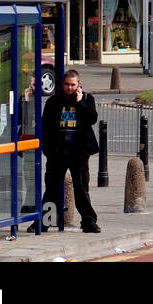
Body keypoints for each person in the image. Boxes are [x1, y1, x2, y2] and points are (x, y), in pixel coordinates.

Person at [42, 69, 102, 232]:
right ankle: (45, 221)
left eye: (73, 85)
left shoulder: (87, 99)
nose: (69, 88)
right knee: (51, 189)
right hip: (58, 152)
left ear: (79, 85)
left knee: (81, 188)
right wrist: (48, 150)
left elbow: (92, 118)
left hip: (79, 153)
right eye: (67, 84)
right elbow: (45, 125)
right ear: (62, 84)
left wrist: (80, 102)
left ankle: (89, 221)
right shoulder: (54, 101)